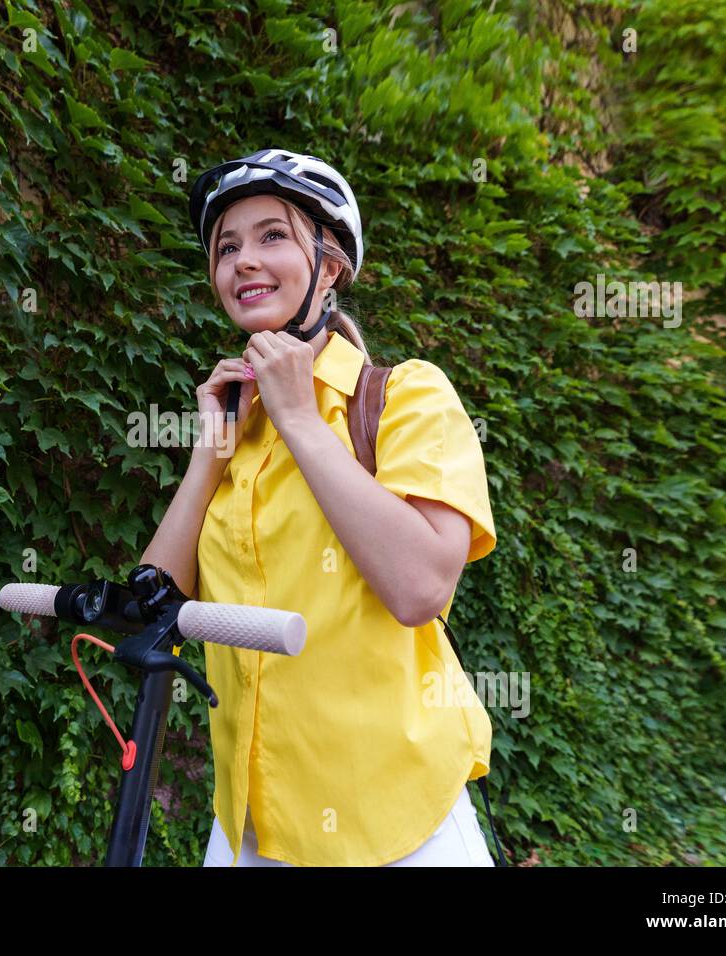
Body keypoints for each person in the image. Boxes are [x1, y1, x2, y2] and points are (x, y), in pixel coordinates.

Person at [141, 149, 499, 866]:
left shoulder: (405, 396)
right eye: (227, 247)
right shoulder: (237, 426)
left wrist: (302, 421)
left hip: (396, 823)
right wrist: (209, 452)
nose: (244, 260)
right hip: (248, 822)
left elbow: (422, 588)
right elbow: (155, 602)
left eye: (273, 236)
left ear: (329, 266)